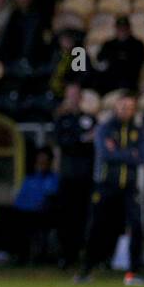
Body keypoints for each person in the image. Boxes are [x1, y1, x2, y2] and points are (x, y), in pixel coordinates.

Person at [76, 91, 144, 285]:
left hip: (130, 188)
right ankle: (86, 270)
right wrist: (128, 154)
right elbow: (107, 155)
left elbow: (142, 157)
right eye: (123, 107)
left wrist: (119, 152)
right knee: (96, 228)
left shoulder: (139, 130)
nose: (127, 111)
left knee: (137, 227)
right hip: (106, 186)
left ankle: (134, 273)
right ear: (116, 107)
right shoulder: (105, 129)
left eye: (131, 108)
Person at [52, 83, 97, 267]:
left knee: (86, 216)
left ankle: (86, 254)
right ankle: (66, 255)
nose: (73, 98)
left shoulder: (89, 118)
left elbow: (97, 140)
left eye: (76, 94)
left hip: (86, 176)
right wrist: (82, 139)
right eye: (69, 95)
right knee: (66, 217)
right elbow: (63, 142)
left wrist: (82, 141)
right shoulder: (62, 120)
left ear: (81, 97)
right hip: (68, 176)